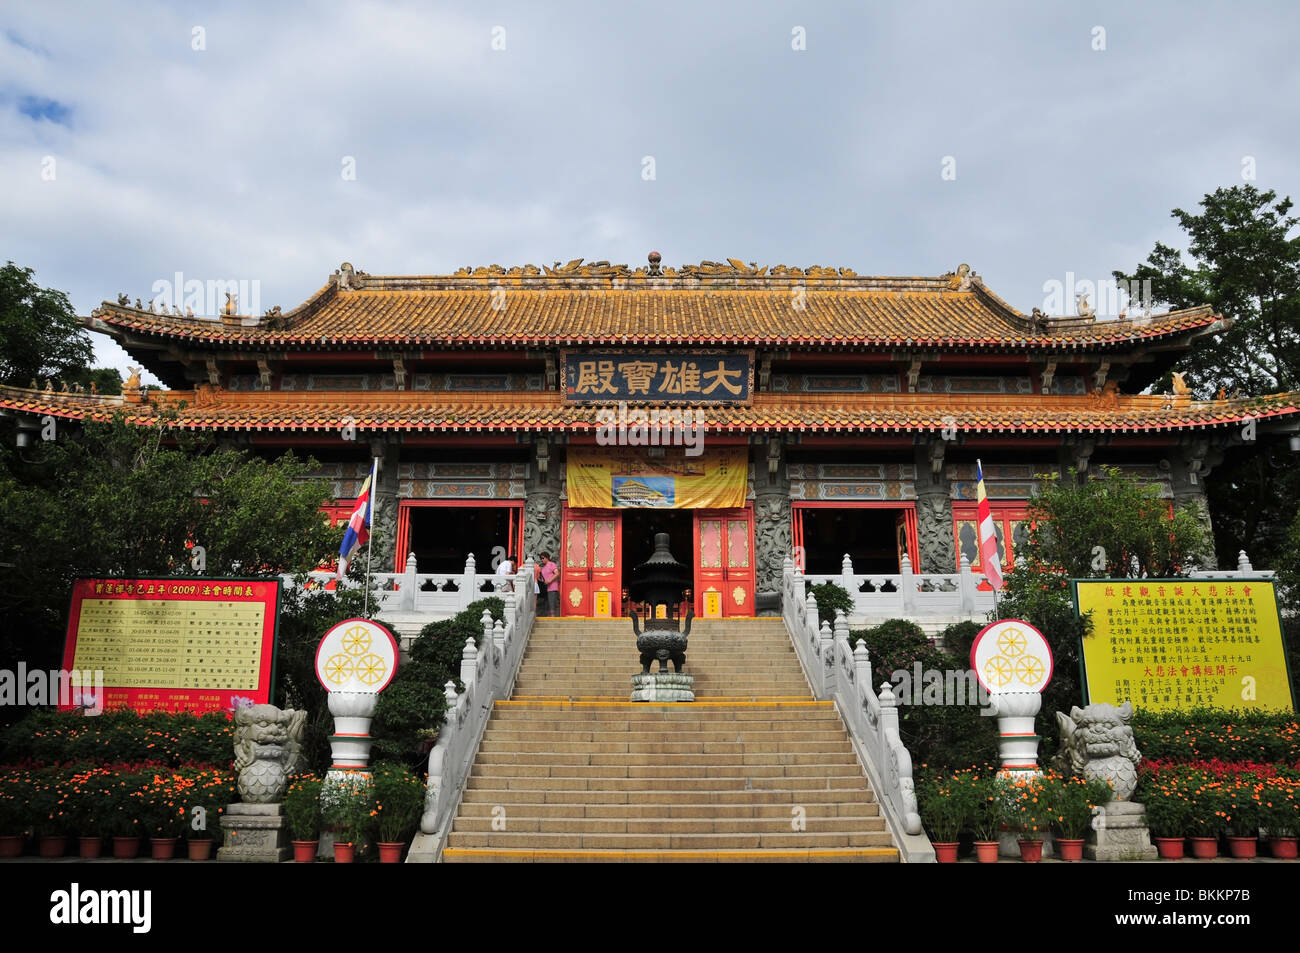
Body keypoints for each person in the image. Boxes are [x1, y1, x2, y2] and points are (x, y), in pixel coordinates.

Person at [539, 552, 560, 617]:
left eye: (543, 558)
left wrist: (550, 580)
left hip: (553, 587)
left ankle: (553, 618)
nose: (541, 560)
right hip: (545, 589)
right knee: (547, 604)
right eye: (541, 558)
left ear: (547, 557)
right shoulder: (543, 568)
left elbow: (557, 573)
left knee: (552, 603)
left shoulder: (552, 564)